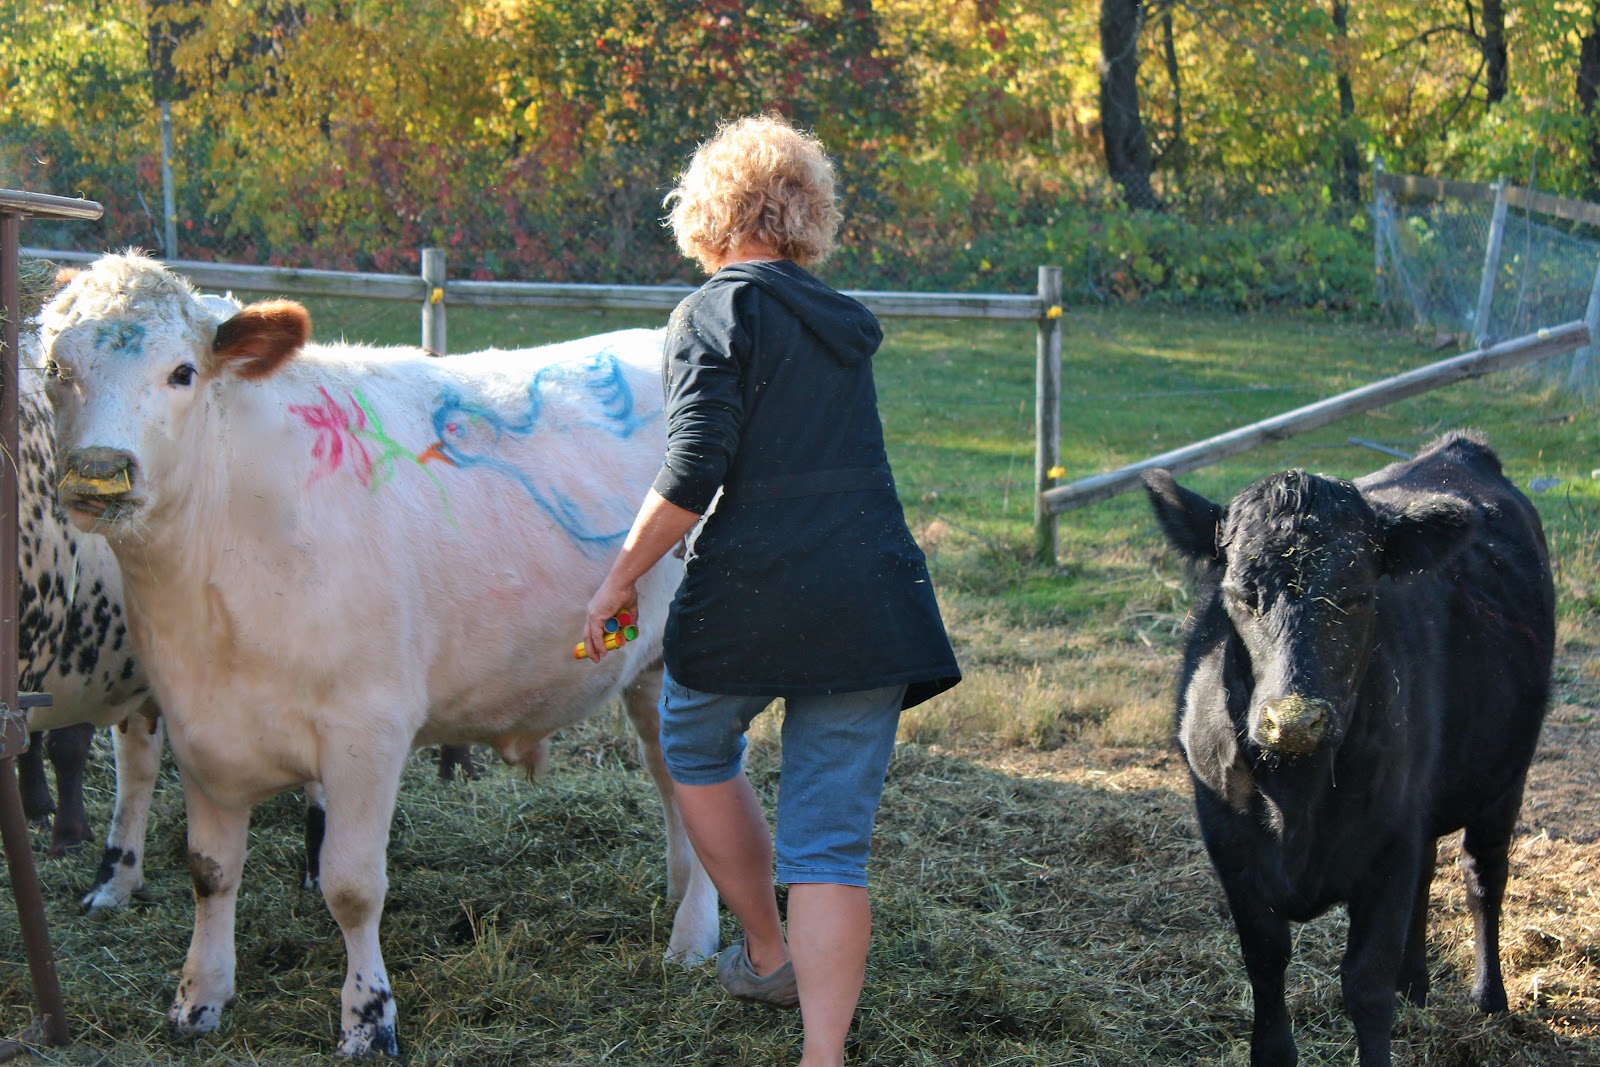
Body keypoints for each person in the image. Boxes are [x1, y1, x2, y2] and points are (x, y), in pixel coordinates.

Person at [582, 114, 960, 1067]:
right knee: (828, 845)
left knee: (693, 740)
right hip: (873, 596)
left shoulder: (710, 312)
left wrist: (616, 581)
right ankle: (821, 1055)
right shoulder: (840, 322)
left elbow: (692, 471)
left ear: (709, 212)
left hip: (751, 592)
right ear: (805, 215)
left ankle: (763, 946)